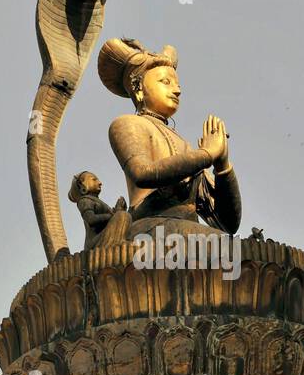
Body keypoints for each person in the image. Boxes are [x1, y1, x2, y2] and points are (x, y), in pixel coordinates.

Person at [98, 38, 241, 240]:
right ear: (138, 88)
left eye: (177, 84)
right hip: (152, 227)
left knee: (239, 250)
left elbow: (229, 223)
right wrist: (206, 155)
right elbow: (142, 173)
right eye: (165, 82)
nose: (177, 90)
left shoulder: (187, 147)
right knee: (230, 251)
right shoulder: (127, 124)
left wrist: (222, 164)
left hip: (188, 231)